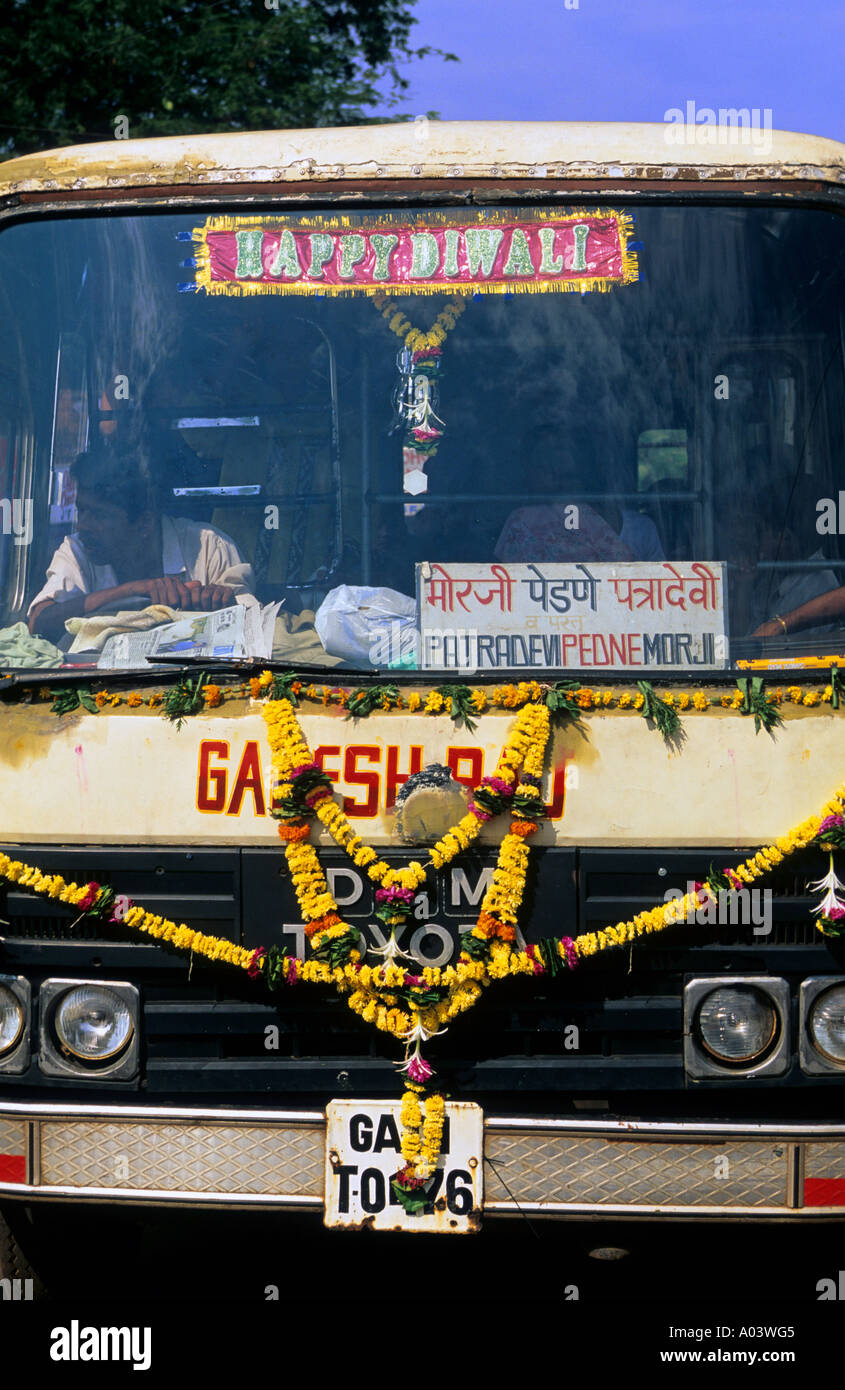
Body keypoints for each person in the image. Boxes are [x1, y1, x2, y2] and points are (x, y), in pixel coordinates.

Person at [28, 447, 254, 641]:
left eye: (99, 516)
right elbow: (39, 622)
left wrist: (218, 602)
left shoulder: (210, 547)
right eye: (82, 511)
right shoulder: (78, 549)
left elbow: (252, 622)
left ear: (145, 523)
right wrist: (133, 590)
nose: (82, 526)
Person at [494, 434, 664, 563]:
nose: (568, 483)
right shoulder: (522, 522)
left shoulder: (641, 529)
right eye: (547, 466)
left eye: (573, 474)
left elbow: (658, 587)